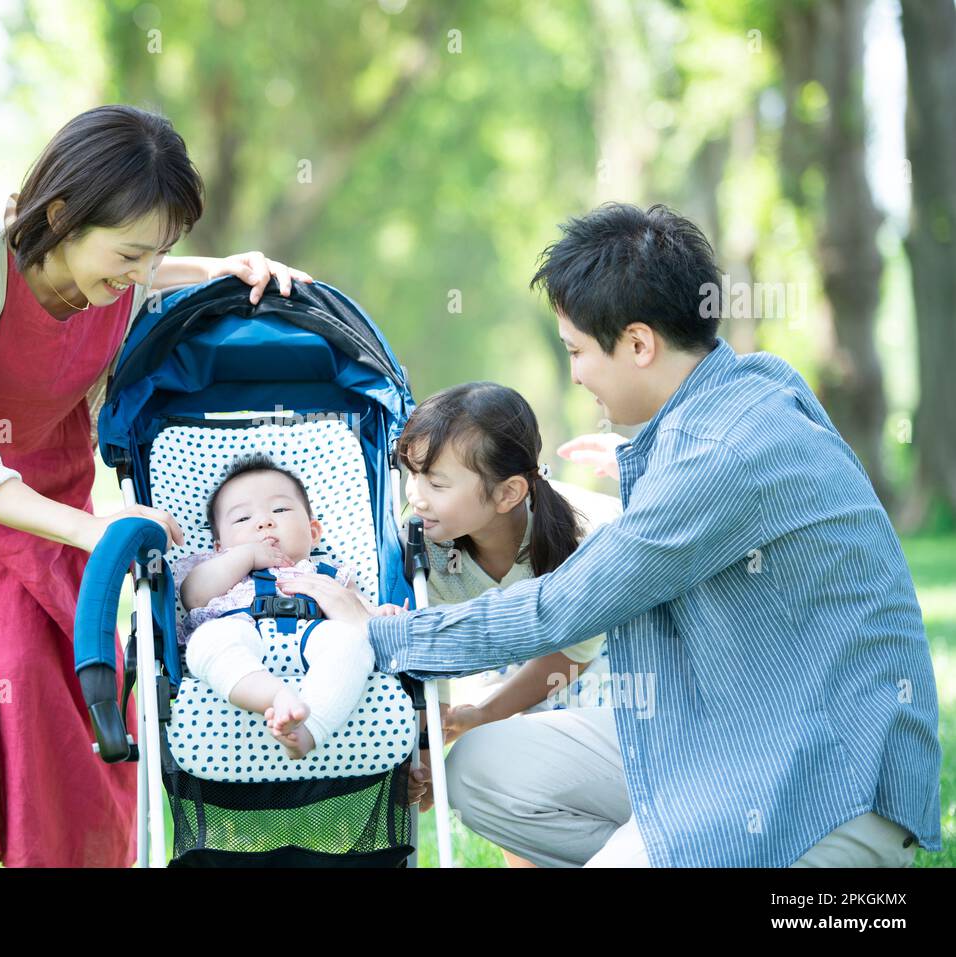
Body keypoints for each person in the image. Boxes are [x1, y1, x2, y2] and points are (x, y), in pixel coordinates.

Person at [280, 203, 941, 867]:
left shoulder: (721, 452)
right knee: (481, 766)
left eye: (576, 351)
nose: (574, 374)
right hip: (722, 733)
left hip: (823, 779)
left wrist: (377, 630)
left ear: (638, 344)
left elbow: (560, 606)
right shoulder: (747, 385)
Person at [0, 105, 313, 867]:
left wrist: (216, 268)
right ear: (62, 213)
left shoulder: (119, 280)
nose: (140, 276)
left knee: (50, 698)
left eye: (157, 254)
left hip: (34, 472)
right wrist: (97, 529)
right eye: (130, 252)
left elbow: (144, 277)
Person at [394, 381, 621, 866]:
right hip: (525, 660)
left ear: (509, 492)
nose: (417, 496)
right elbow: (432, 651)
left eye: (436, 483)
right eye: (411, 474)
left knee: (525, 749)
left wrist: (486, 713)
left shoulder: (584, 541)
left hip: (614, 675)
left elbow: (572, 658)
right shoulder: (421, 546)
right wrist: (430, 749)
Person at [175, 454, 403, 759]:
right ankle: (276, 697)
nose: (264, 521)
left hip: (313, 636)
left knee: (353, 643)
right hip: (242, 632)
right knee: (206, 642)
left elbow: (355, 610)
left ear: (313, 532)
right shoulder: (220, 569)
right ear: (219, 547)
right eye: (243, 519)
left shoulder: (328, 572)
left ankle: (309, 729)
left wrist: (377, 615)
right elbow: (193, 596)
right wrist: (245, 557)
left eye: (280, 509)